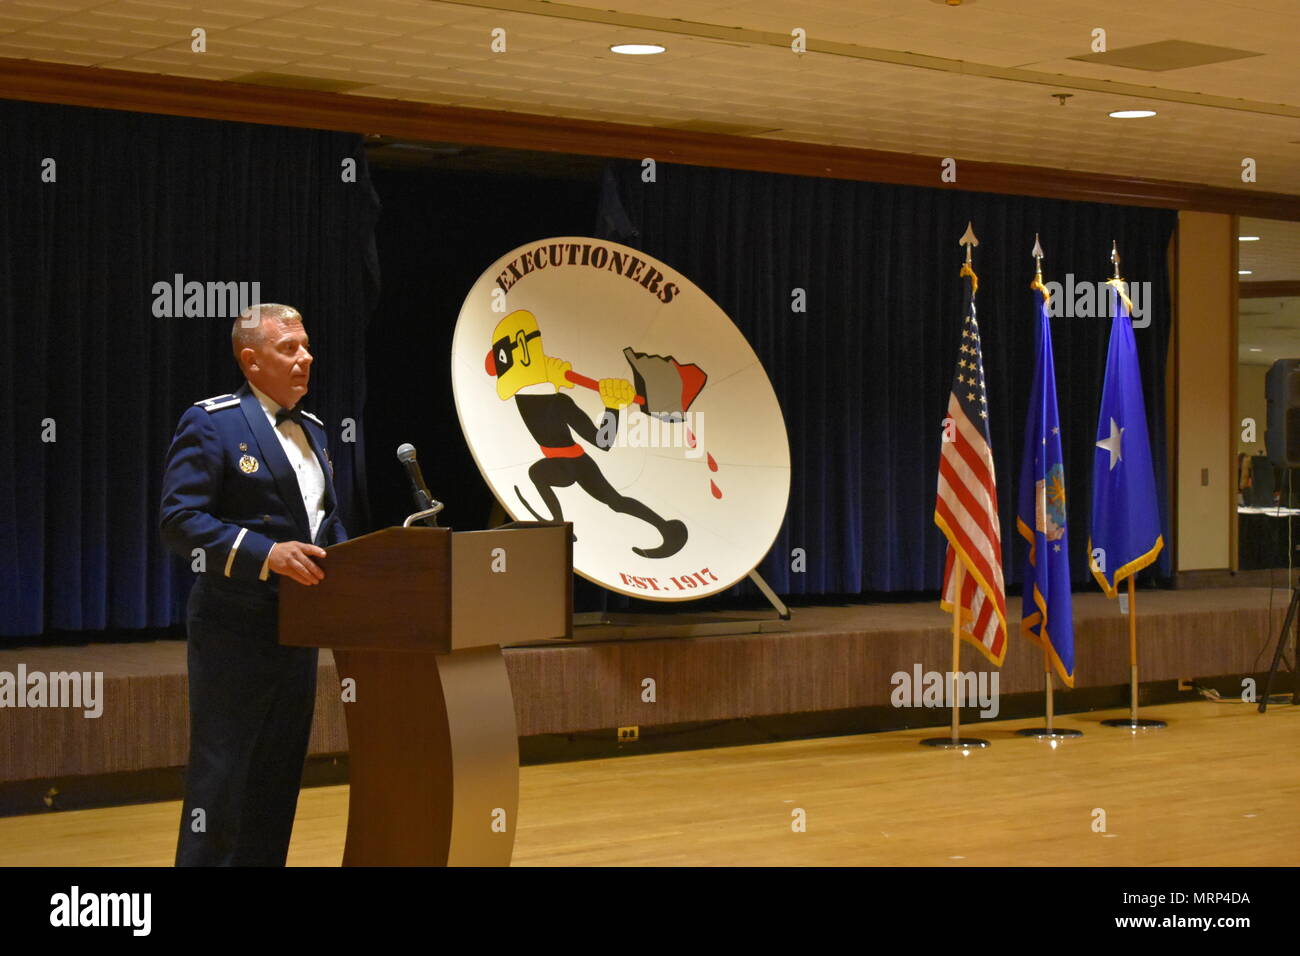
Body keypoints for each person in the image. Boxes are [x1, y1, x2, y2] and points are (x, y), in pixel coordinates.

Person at [159, 303, 347, 866]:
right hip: (234, 628)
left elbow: (323, 524)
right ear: (251, 360)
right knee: (222, 779)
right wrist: (268, 554)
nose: (305, 358)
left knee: (276, 776)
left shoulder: (314, 429)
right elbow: (179, 521)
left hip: (298, 628)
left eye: (306, 346)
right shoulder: (212, 422)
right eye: (288, 349)